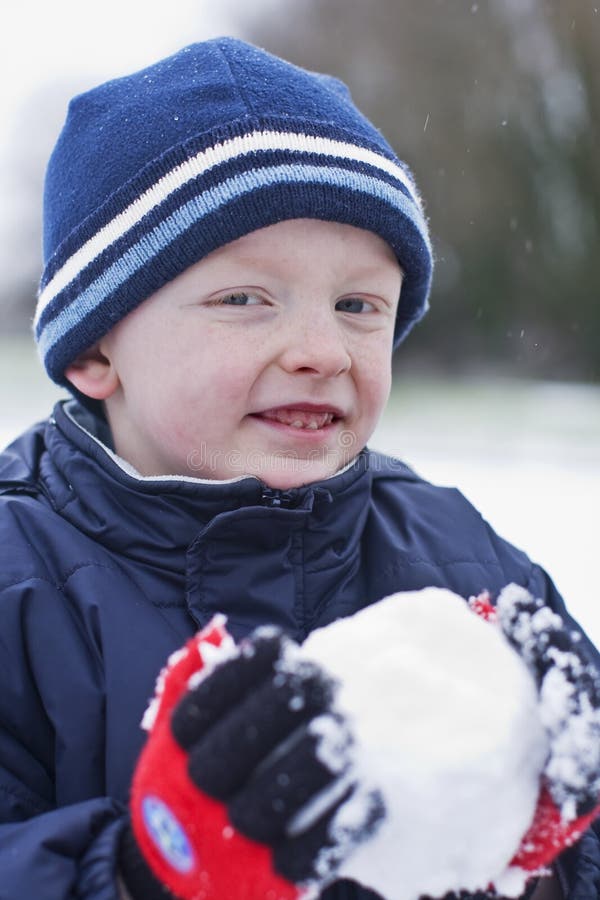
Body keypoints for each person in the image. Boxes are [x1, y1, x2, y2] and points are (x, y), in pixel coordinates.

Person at [0, 37, 598, 900]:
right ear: (95, 348)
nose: (323, 351)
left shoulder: (466, 564)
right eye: (245, 300)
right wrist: (142, 875)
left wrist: (550, 860)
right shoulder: (20, 586)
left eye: (359, 306)